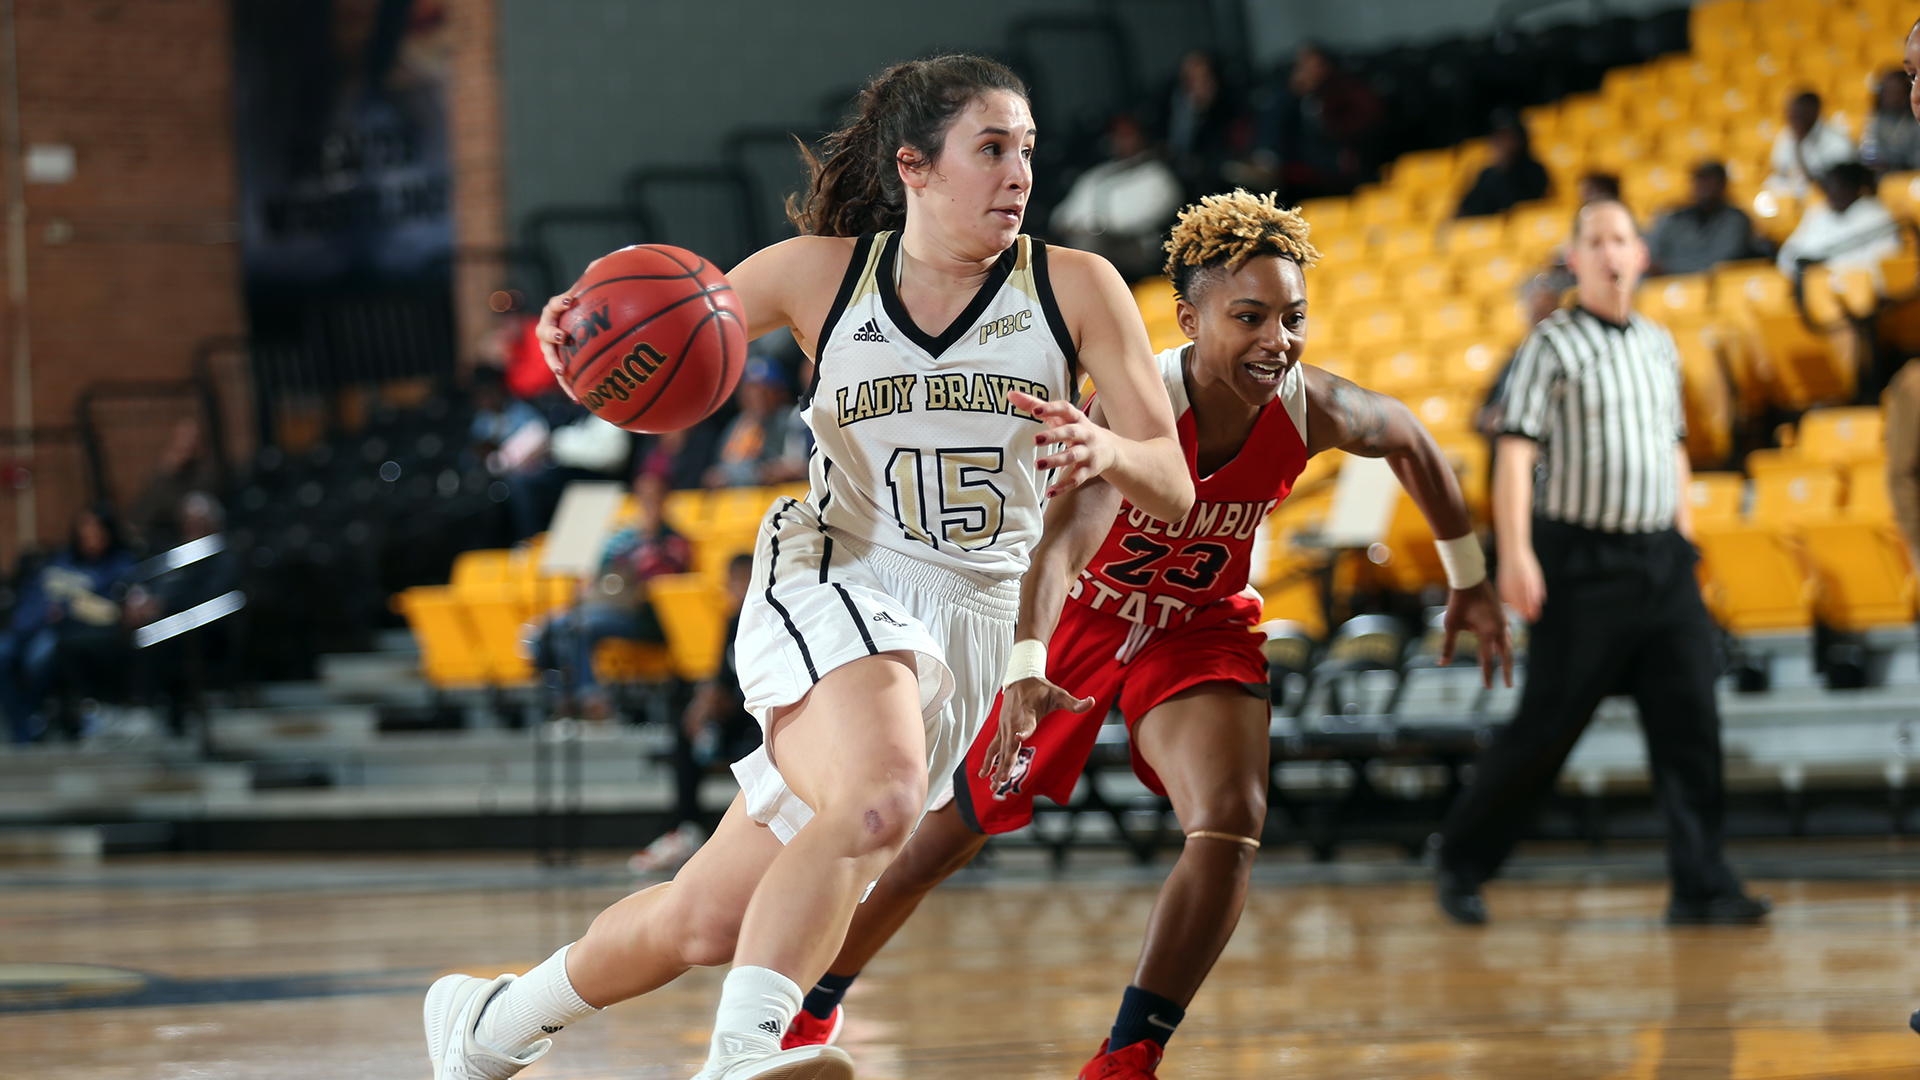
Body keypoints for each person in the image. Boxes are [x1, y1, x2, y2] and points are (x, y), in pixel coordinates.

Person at [422, 54, 1193, 1080]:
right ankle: (742, 1059)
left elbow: (1173, 485)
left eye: (1028, 152)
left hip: (966, 621)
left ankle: (488, 1025)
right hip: (838, 572)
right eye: (992, 149)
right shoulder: (817, 274)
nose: (1018, 175)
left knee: (705, 919)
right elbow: (661, 336)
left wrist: (1109, 453)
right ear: (914, 167)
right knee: (877, 804)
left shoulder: (1076, 286)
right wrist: (580, 335)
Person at [775, 190, 1514, 1079]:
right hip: (1076, 619)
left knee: (1230, 819)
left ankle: (1128, 1055)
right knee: (942, 838)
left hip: (1197, 627)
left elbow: (1413, 439)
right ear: (1188, 317)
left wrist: (1469, 577)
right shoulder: (1134, 404)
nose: (1276, 340)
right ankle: (808, 1008)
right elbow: (1060, 548)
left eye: (1293, 317)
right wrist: (1023, 664)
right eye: (1249, 317)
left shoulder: (1310, 406)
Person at [1436, 199, 1769, 927]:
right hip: (1581, 560)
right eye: (1597, 241)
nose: (1612, 251)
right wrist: (1517, 553)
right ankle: (1461, 859)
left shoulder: (1658, 343)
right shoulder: (1550, 344)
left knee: (1691, 723)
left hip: (1661, 560)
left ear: (1641, 256)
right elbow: (1516, 452)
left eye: (1622, 239)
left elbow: (1674, 447)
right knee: (1547, 725)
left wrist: (1684, 539)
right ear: (1576, 259)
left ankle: (1701, 884)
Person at [635, 553, 763, 875]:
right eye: (737, 583)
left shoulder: (772, 622)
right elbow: (723, 677)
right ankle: (685, 828)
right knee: (685, 727)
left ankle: (751, 839)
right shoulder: (732, 622)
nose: (742, 590)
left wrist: (730, 700)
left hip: (763, 717)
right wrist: (705, 703)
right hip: (738, 716)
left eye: (748, 581)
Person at [529, 470, 691, 720]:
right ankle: (563, 698)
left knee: (582, 626)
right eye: (643, 498)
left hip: (642, 616)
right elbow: (596, 574)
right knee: (547, 629)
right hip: (601, 607)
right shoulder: (621, 539)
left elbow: (661, 583)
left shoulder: (673, 541)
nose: (647, 504)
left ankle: (591, 697)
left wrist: (646, 544)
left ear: (665, 500)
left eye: (654, 498)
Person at [0, 504, 136, 742]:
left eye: (96, 531)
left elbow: (112, 609)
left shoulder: (118, 564)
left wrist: (69, 609)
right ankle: (22, 721)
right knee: (2, 653)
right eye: (84, 530)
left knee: (39, 658)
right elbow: (33, 595)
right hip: (29, 626)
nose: (89, 536)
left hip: (69, 632)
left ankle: (34, 717)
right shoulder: (61, 560)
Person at [123, 492, 244, 736]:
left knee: (152, 638)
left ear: (214, 523)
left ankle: (149, 709)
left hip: (205, 631)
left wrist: (162, 607)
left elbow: (211, 597)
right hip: (168, 621)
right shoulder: (176, 553)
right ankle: (119, 708)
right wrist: (140, 602)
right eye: (188, 519)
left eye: (199, 520)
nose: (192, 525)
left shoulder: (223, 556)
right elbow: (151, 584)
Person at [1051, 113, 1183, 280]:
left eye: (1127, 135)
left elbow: (1144, 217)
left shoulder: (1156, 174)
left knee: (1088, 245)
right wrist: (1079, 225)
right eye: (1117, 136)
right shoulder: (1099, 174)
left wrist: (1097, 226)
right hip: (1086, 239)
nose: (1122, 141)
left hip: (1136, 247)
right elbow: (1062, 215)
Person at [1252, 43, 1382, 200]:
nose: (1303, 73)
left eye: (1310, 66)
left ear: (1326, 68)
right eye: (1300, 67)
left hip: (1346, 166)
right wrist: (1291, 96)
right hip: (1305, 171)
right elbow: (1279, 133)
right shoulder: (1293, 100)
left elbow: (1359, 130)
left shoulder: (1347, 92)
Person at [1775, 161, 1902, 280]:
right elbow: (1788, 252)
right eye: (1828, 187)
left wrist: (1826, 267)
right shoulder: (1817, 212)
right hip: (1814, 288)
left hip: (1856, 292)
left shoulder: (1877, 217)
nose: (1832, 192)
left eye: (1838, 187)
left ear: (1854, 188)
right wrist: (1797, 263)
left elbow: (1882, 268)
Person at [703, 357, 809, 488]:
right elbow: (720, 468)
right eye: (749, 390)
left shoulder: (792, 418)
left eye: (763, 389)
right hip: (739, 501)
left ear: (780, 393)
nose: (755, 397)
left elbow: (798, 465)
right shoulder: (738, 424)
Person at [1647, 162, 1769, 276]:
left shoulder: (1736, 220)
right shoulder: (1674, 218)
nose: (1703, 186)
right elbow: (1652, 258)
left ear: (1723, 184)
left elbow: (1720, 263)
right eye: (1700, 179)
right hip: (1674, 287)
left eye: (1710, 180)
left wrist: (1669, 268)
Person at [127, 418, 221, 552]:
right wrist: (166, 474)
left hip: (205, 543)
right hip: (170, 541)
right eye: (182, 440)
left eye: (192, 440)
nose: (186, 446)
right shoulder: (165, 476)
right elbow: (142, 515)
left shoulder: (210, 472)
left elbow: (192, 506)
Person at [1163, 51, 1238, 198]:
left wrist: (1204, 110)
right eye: (1192, 79)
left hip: (1211, 169)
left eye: (1204, 78)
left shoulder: (1224, 103)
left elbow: (1218, 146)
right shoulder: (1172, 101)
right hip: (1175, 166)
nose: (1199, 84)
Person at [1456, 109, 1550, 218]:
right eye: (1498, 137)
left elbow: (1526, 208)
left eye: (1507, 137)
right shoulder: (1486, 175)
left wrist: (1505, 167)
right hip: (1487, 231)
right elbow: (1468, 208)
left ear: (1520, 139)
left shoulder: (1535, 170)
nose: (1502, 143)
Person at [1766, 91, 1856, 197]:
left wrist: (1798, 147)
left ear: (1814, 112)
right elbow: (1779, 172)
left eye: (1798, 116)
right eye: (1791, 116)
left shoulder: (1838, 143)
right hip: (1792, 197)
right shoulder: (1786, 135)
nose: (1793, 122)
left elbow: (1833, 187)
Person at [1862, 68, 1920, 174]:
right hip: (1882, 176)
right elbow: (1869, 155)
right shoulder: (1875, 120)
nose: (1893, 97)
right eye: (1888, 92)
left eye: (1898, 92)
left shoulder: (1916, 122)